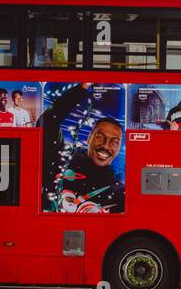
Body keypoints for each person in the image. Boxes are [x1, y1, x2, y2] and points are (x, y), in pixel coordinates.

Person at [39, 83, 125, 213]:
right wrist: (82, 88)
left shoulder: (118, 189)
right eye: (100, 137)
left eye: (114, 142)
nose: (106, 145)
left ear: (119, 148)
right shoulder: (63, 158)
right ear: (89, 137)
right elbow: (48, 122)